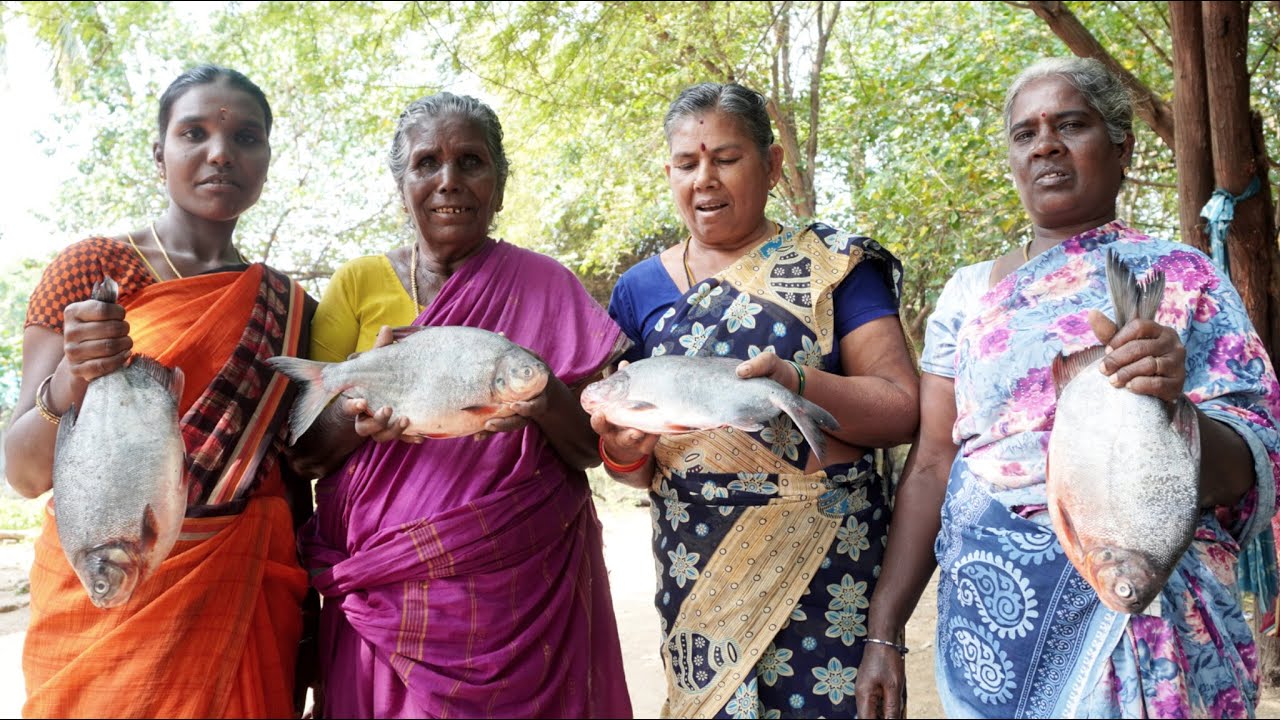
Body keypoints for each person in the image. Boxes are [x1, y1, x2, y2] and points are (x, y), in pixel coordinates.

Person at [855, 57, 1280, 719]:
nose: (1045, 144)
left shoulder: (1182, 278)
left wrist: (1175, 412)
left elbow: (1249, 463)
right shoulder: (970, 294)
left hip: (1141, 608)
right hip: (995, 635)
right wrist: (885, 632)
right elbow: (934, 463)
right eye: (1025, 134)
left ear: (1121, 146)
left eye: (1071, 124)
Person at [291, 92, 633, 719]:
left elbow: (588, 448)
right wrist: (359, 417)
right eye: (427, 164)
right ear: (403, 186)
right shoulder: (357, 283)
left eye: (470, 162)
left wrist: (538, 396)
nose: (449, 181)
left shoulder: (546, 285)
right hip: (383, 587)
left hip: (517, 592)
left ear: (499, 186)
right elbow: (307, 455)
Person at [592, 81, 920, 718]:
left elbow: (901, 409)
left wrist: (795, 382)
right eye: (687, 165)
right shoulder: (639, 290)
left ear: (771, 166)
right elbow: (630, 462)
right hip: (700, 572)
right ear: (669, 174)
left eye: (727, 158)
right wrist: (623, 450)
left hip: (830, 570)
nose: (705, 179)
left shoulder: (834, 267)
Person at [5, 65, 316, 717]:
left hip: (244, 595)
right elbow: (23, 471)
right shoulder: (96, 270)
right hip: (103, 591)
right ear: (160, 152)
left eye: (246, 138)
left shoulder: (290, 307)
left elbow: (294, 479)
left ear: (265, 158)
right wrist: (71, 380)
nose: (220, 153)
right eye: (193, 132)